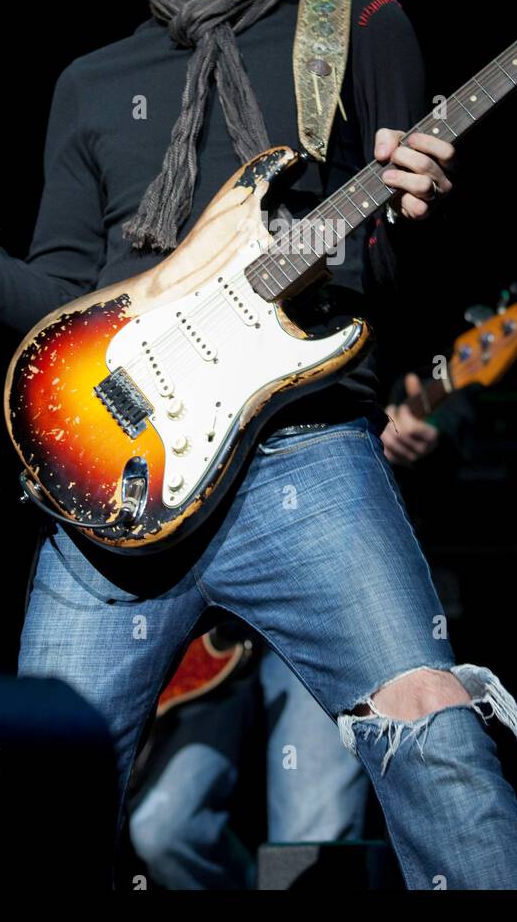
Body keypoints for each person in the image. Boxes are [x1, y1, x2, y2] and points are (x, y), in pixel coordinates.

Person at [0, 0, 517, 890]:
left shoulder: (363, 28)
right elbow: (59, 310)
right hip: (123, 488)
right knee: (33, 802)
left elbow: (390, 282)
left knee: (436, 739)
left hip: (306, 460)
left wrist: (416, 209)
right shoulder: (92, 84)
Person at [126, 374, 443, 890]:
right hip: (215, 626)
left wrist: (422, 426)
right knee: (164, 826)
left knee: (308, 843)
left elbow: (449, 409)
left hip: (324, 599)